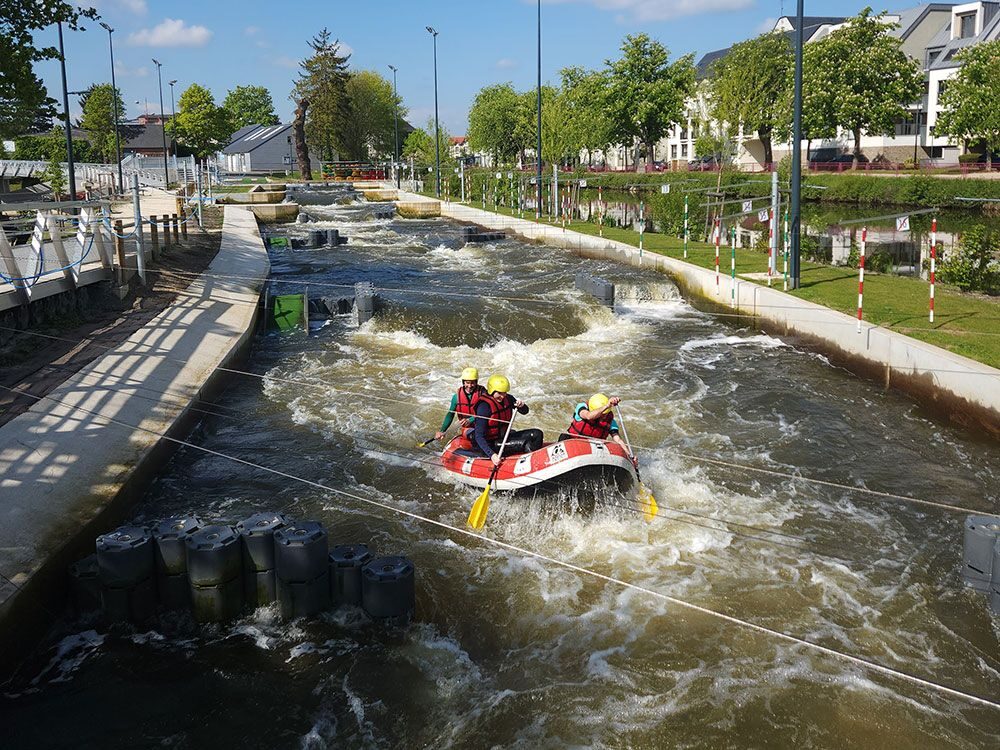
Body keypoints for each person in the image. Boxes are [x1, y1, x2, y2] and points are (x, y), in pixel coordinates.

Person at [469, 374, 543, 465]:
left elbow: (525, 411)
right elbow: (479, 436)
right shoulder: (484, 407)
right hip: (491, 444)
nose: (503, 396)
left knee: (537, 434)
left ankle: (540, 461)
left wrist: (522, 406)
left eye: (504, 392)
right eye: (499, 393)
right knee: (524, 443)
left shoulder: (508, 398)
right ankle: (534, 465)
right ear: (492, 391)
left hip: (504, 437)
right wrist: (492, 455)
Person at [559, 393, 637, 466]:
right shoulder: (582, 408)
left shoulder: (610, 422)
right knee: (563, 436)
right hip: (572, 444)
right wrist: (607, 406)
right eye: (602, 414)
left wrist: (630, 457)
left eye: (606, 413)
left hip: (593, 451)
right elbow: (588, 416)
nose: (604, 416)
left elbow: (618, 440)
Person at [435, 367, 486, 442]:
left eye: (472, 383)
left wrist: (470, 419)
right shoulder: (456, 397)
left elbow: (487, 412)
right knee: (473, 435)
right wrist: (442, 431)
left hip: (482, 424)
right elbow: (450, 414)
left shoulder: (483, 394)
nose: (470, 386)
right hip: (468, 428)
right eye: (467, 383)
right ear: (463, 382)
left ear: (476, 382)